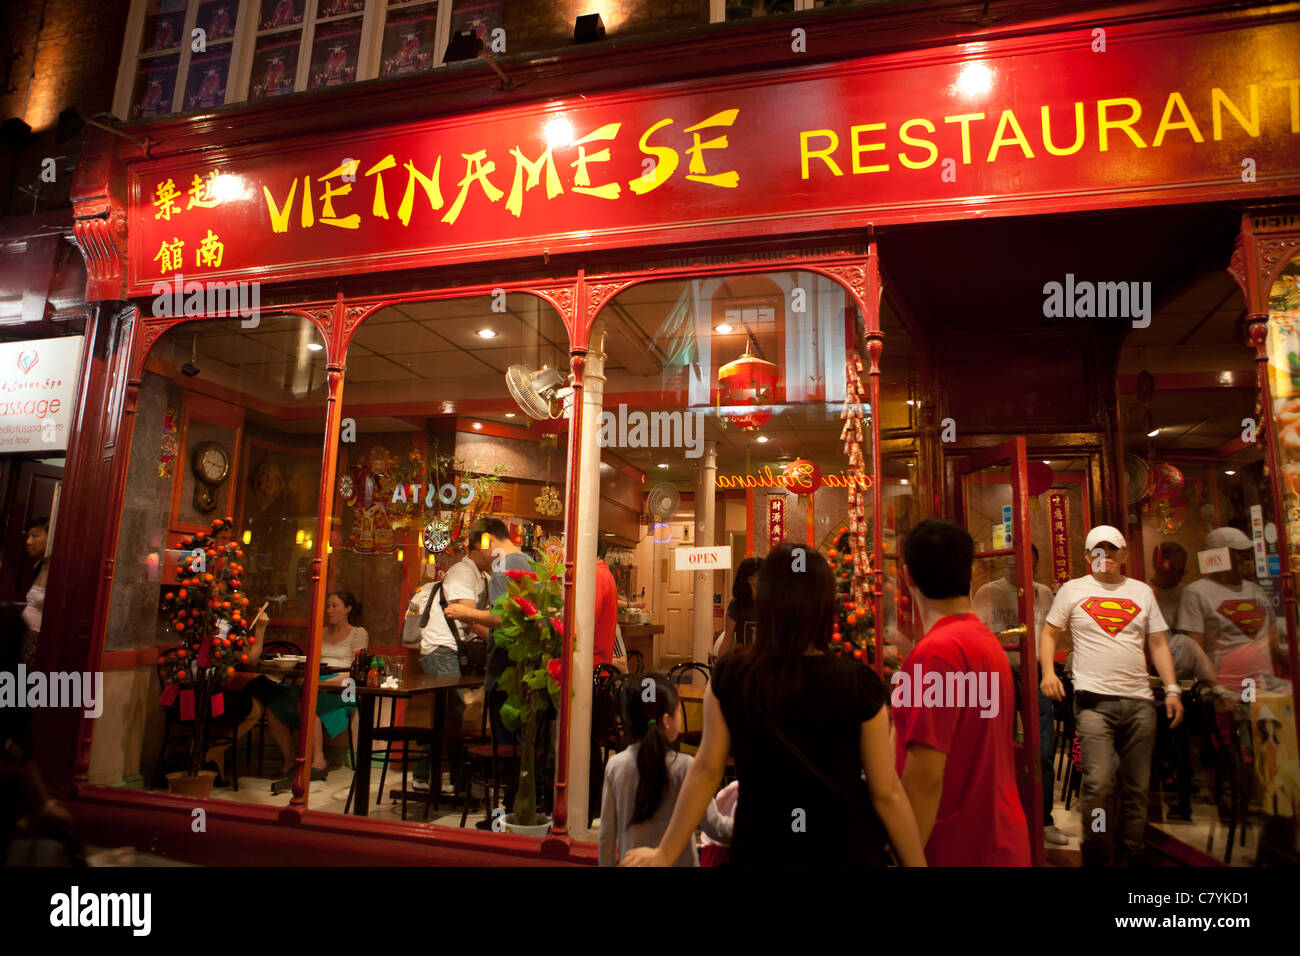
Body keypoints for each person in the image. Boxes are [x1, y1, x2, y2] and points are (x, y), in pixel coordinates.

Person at [619, 542, 926, 867]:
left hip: (761, 845)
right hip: (843, 848)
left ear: (765, 601)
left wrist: (664, 852)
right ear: (824, 607)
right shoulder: (860, 684)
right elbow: (886, 792)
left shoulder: (731, 676)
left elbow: (707, 770)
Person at [1040, 525, 1184, 866]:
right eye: (1098, 551)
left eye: (1112, 550)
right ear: (1089, 556)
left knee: (1136, 789)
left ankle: (1132, 853)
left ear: (1122, 555)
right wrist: (1047, 672)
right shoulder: (1073, 590)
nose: (1105, 557)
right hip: (1094, 704)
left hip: (1139, 702)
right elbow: (1049, 633)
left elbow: (1159, 643)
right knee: (1099, 785)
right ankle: (1098, 852)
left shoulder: (1141, 592)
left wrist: (1173, 688)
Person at [893, 519, 1031, 865]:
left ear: (907, 576)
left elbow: (925, 778)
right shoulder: (986, 643)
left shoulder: (935, 655)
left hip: (957, 848)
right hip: (997, 841)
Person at [972, 544, 1067, 846]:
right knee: (1001, 747)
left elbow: (1052, 635)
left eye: (1029, 564)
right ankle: (1002, 815)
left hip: (1037, 673)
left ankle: (1043, 818)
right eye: (1015, 563)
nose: (1022, 568)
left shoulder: (1045, 593)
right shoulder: (988, 592)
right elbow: (979, 634)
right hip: (999, 672)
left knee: (1043, 749)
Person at [597, 674, 727, 866]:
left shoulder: (615, 765)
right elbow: (715, 828)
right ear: (667, 720)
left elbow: (606, 838)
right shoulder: (686, 767)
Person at [250, 590, 368, 792]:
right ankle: (289, 760)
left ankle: (318, 761)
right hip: (315, 682)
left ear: (347, 609)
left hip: (342, 687)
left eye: (334, 605)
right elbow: (311, 661)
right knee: (275, 705)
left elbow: (355, 670)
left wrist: (324, 680)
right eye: (328, 606)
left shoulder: (358, 633)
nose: (329, 610)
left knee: (308, 701)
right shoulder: (321, 632)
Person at [407, 544, 492, 788]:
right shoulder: (462, 572)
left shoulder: (482, 576)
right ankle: (431, 774)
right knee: (452, 708)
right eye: (493, 548)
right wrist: (495, 640)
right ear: (478, 548)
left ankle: (453, 775)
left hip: (454, 647)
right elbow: (470, 617)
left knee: (453, 710)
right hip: (441, 646)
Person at [716, 557, 761, 659]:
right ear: (749, 578)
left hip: (764, 661)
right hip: (743, 660)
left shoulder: (769, 601)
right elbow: (728, 638)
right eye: (759, 575)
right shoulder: (737, 604)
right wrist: (719, 668)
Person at [20, 517, 49, 667]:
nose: (28, 541)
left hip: (39, 641)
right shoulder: (38, 565)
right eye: (28, 536)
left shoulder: (57, 571)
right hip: (25, 635)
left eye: (35, 536)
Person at [595, 541, 618, 666]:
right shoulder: (604, 573)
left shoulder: (597, 575)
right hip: (601, 663)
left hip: (593, 663)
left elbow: (588, 621)